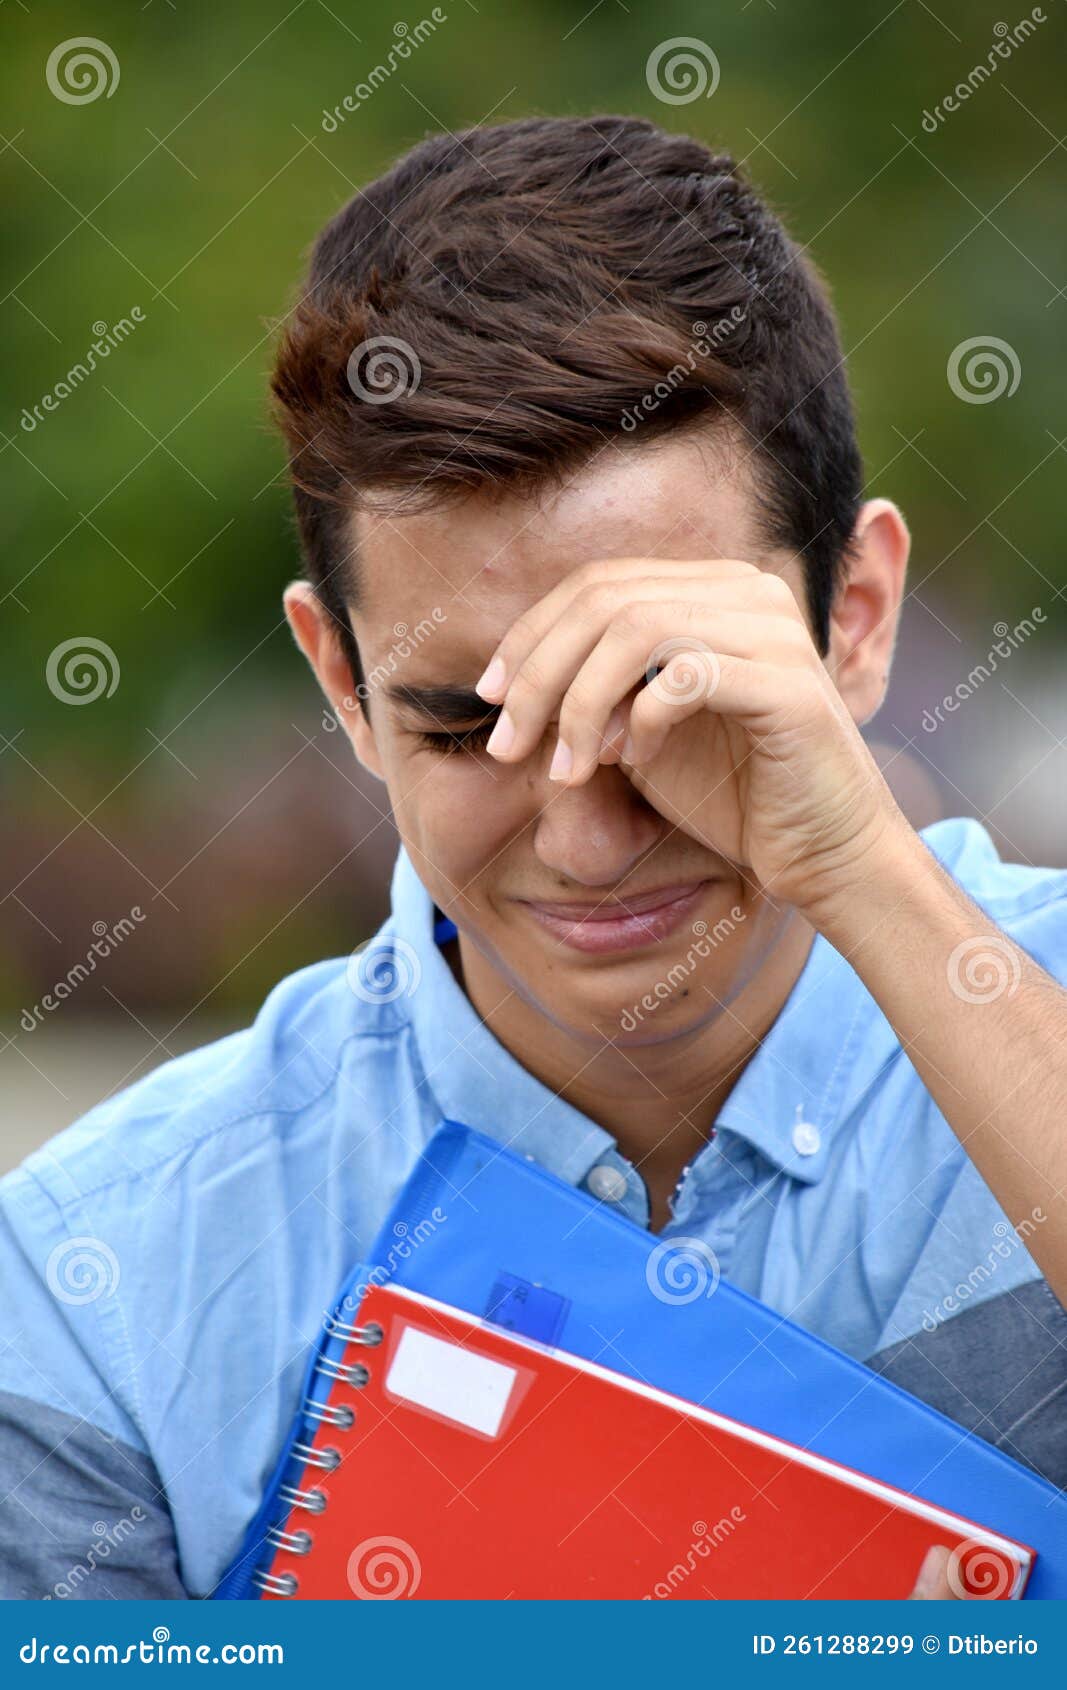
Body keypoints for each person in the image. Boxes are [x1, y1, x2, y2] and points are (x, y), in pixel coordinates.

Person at [1, 116, 1064, 1602]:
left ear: (857, 618)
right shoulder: (92, 1289)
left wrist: (864, 871)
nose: (584, 839)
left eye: (672, 703)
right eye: (467, 729)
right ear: (341, 682)